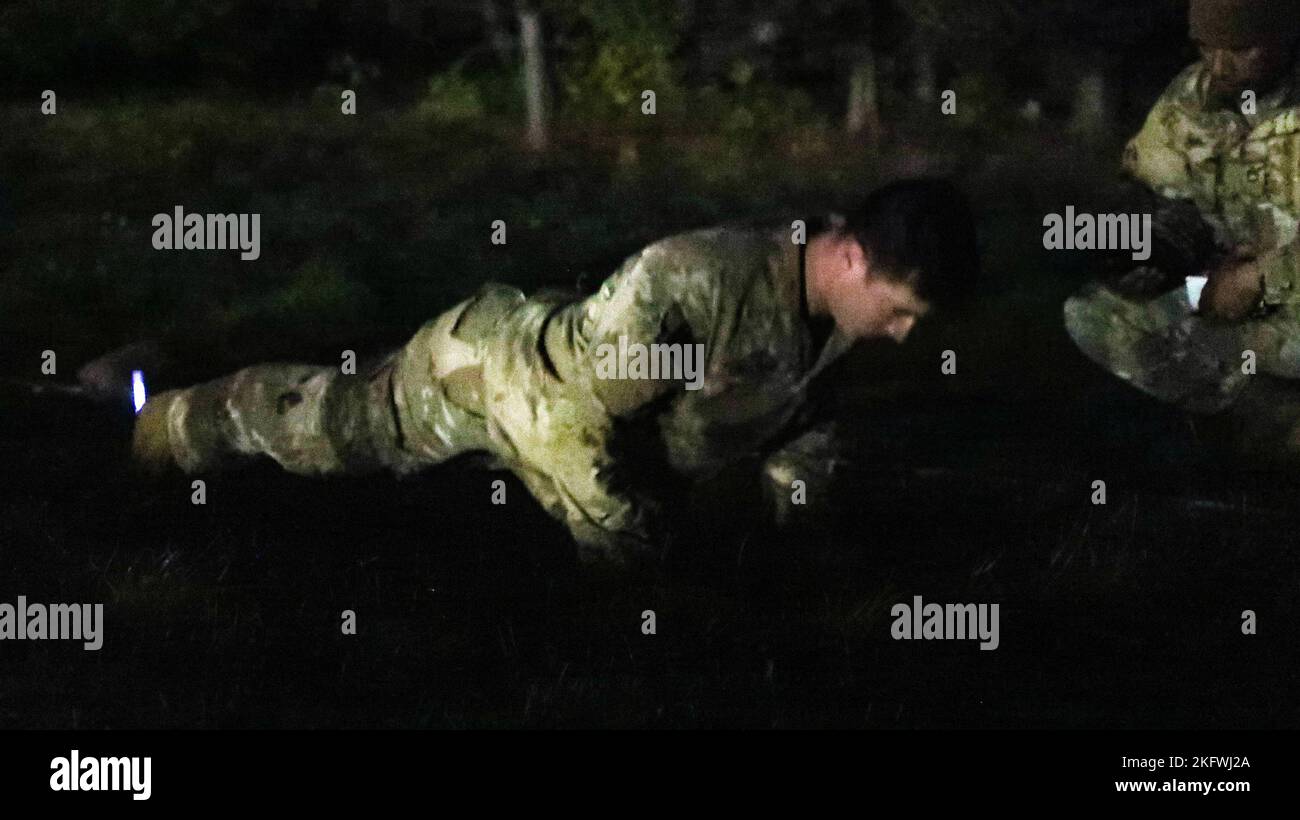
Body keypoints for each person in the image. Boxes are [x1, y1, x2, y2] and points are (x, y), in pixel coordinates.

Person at [132, 179, 980, 565]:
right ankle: (173, 421)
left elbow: (803, 430)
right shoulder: (696, 278)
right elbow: (562, 417)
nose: (904, 337)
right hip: (490, 374)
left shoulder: (838, 322)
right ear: (852, 258)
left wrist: (811, 550)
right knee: (330, 429)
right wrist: (628, 555)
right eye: (901, 311)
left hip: (571, 389)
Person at [1065, 0, 1300, 447]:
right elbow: (1166, 197)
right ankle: (1267, 414)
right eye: (1206, 46)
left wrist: (1258, 280)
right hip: (1221, 295)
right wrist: (1157, 250)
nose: (1219, 64)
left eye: (1240, 48)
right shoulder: (1190, 96)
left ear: (1285, 37)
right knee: (1097, 314)